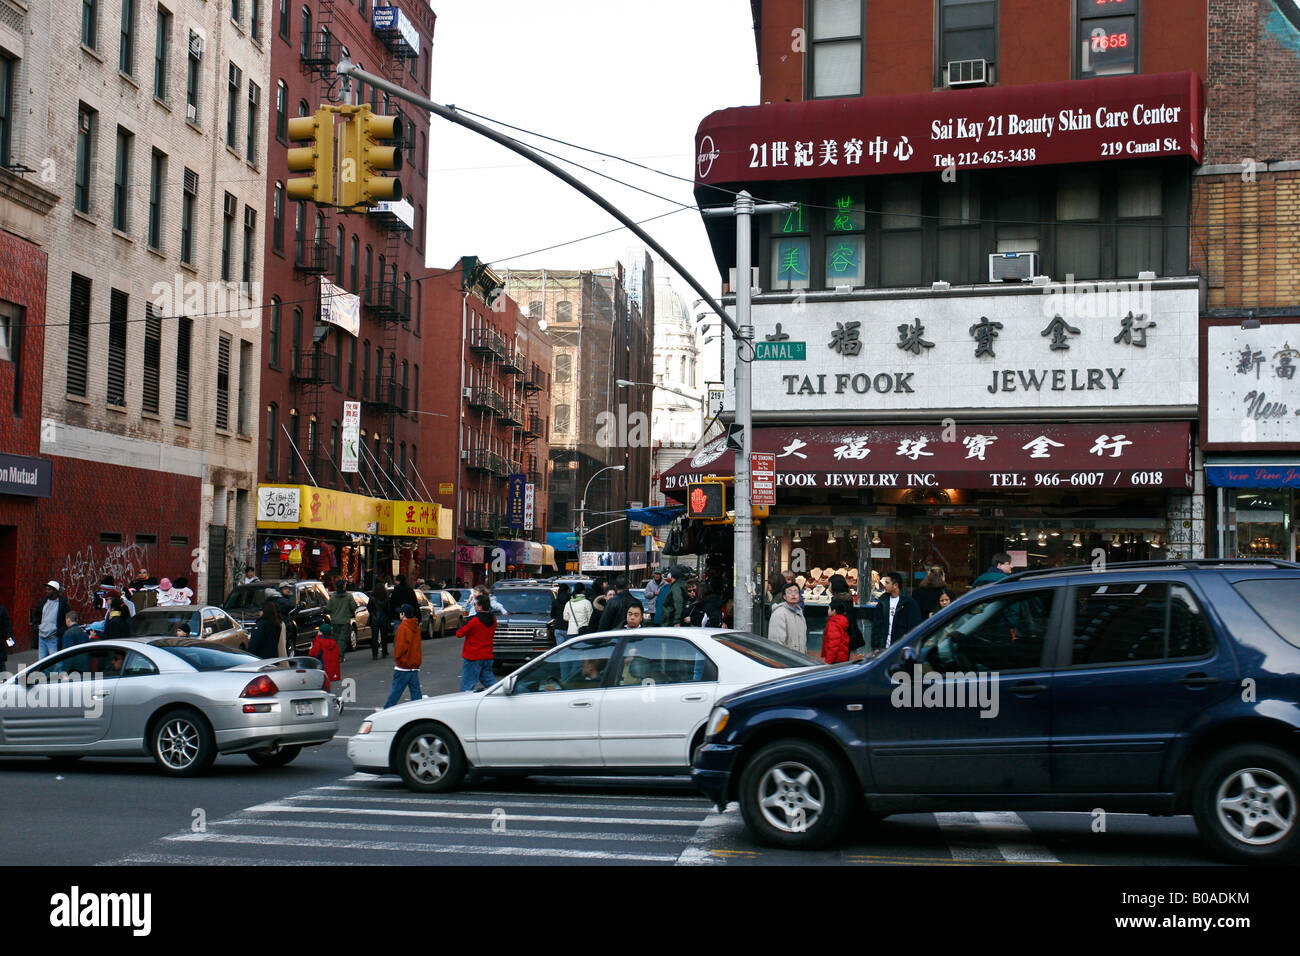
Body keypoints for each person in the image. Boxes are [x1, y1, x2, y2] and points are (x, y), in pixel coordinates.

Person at [869, 571, 921, 652]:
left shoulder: (909, 603)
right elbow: (876, 625)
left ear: (895, 585)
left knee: (916, 665)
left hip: (900, 648)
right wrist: (875, 646)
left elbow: (914, 627)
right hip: (883, 648)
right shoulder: (883, 601)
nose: (884, 585)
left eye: (887, 583)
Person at [384, 604, 423, 708]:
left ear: (403, 614)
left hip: (403, 666)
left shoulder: (403, 628)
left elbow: (400, 647)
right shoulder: (416, 627)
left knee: (396, 692)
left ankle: (386, 710)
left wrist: (397, 658)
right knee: (416, 693)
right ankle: (419, 711)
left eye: (400, 613)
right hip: (414, 664)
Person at [456, 594, 497, 693]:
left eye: (475, 604)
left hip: (473, 655)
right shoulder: (494, 619)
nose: (474, 606)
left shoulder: (474, 621)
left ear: (480, 606)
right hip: (487, 655)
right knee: (490, 681)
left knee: (467, 685)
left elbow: (459, 634)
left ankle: (465, 704)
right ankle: (501, 695)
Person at [768, 583, 808, 653]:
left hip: (799, 658)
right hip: (787, 659)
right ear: (784, 596)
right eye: (790, 592)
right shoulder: (779, 613)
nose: (793, 594)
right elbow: (777, 642)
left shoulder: (799, 612)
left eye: (796, 592)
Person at [36, 582, 71, 658]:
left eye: (49, 589)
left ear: (55, 591)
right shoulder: (43, 602)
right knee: (42, 661)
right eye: (46, 589)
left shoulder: (63, 604)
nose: (47, 591)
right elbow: (36, 614)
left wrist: (59, 632)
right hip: (42, 636)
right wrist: (37, 626)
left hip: (53, 637)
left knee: (55, 661)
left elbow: (69, 618)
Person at [327, 580, 357, 662]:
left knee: (336, 638)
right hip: (345, 620)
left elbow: (328, 608)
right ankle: (340, 655)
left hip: (335, 620)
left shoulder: (333, 596)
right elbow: (353, 607)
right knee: (342, 639)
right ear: (343, 586)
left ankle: (336, 654)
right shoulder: (348, 596)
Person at [309, 622, 342, 691]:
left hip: (323, 671)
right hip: (333, 672)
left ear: (321, 632)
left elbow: (314, 654)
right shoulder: (334, 642)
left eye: (319, 631)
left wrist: (311, 649)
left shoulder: (319, 642)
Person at [823, 598, 853, 664]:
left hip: (835, 658)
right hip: (842, 656)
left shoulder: (833, 623)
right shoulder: (842, 620)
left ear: (834, 611)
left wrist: (828, 661)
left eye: (829, 608)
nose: (828, 610)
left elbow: (833, 645)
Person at [370, 578, 392, 660]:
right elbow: (388, 609)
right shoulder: (386, 599)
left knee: (374, 638)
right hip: (384, 619)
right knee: (384, 637)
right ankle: (384, 652)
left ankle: (374, 654)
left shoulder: (372, 598)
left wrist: (373, 614)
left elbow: (369, 608)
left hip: (375, 619)